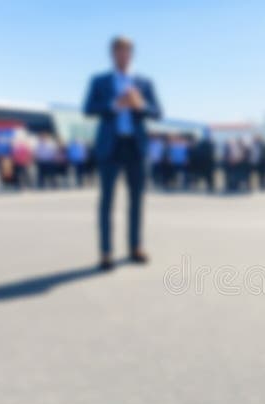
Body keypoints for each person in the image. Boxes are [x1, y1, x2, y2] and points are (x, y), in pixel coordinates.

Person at [83, 35, 162, 270]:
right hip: (110, 145)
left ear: (132, 54)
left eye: (127, 51)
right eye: (118, 51)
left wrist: (141, 106)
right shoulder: (100, 81)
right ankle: (106, 251)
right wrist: (114, 105)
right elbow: (87, 108)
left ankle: (135, 246)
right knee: (106, 201)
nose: (123, 55)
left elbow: (158, 112)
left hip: (135, 146)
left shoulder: (144, 82)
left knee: (136, 200)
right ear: (112, 54)